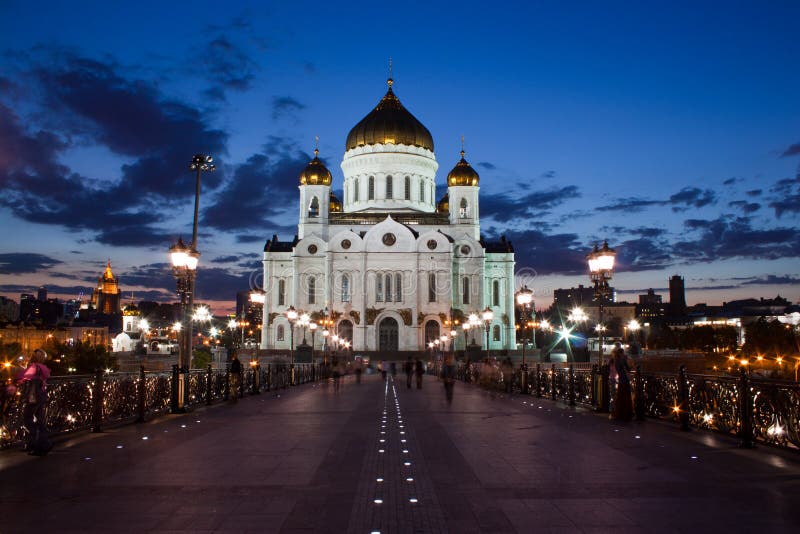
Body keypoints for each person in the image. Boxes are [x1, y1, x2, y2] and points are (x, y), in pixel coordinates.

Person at [18, 349, 52, 456]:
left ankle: (36, 441)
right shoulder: (43, 367)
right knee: (40, 419)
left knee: (27, 418)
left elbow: (24, 377)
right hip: (41, 395)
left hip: (33, 396)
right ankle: (43, 444)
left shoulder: (34, 367)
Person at [611, 345, 633, 421]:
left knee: (621, 397)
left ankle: (621, 413)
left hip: (621, 380)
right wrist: (629, 363)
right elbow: (628, 369)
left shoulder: (616, 360)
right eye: (623, 353)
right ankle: (626, 413)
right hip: (624, 380)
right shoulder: (621, 360)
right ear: (621, 354)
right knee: (626, 396)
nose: (624, 354)